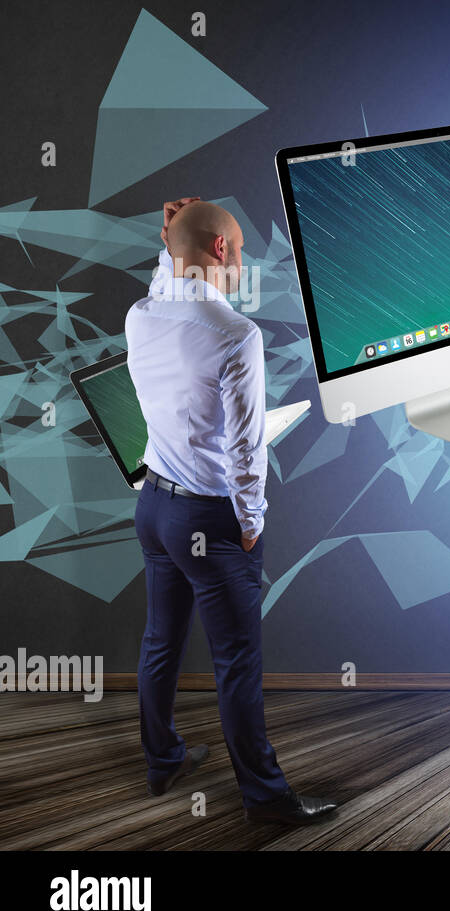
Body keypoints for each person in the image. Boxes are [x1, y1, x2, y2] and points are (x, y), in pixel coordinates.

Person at [126, 197, 337, 826]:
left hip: (154, 508)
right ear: (222, 250)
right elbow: (245, 450)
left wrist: (171, 235)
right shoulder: (235, 335)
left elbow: (167, 278)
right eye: (240, 247)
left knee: (161, 639)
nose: (243, 258)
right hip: (209, 522)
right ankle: (268, 802)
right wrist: (252, 524)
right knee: (237, 663)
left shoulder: (141, 314)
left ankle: (162, 758)